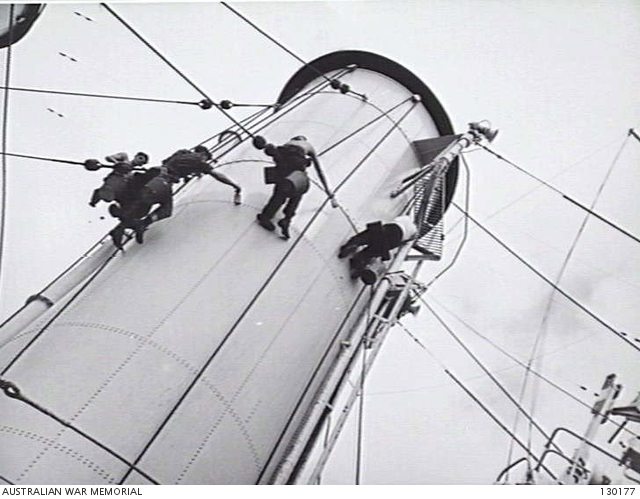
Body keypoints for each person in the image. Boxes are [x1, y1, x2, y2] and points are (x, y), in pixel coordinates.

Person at [256, 135, 337, 240]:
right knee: (298, 190)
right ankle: (287, 219)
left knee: (280, 191)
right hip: (297, 162)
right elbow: (319, 171)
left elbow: (281, 157)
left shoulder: (288, 143)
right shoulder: (308, 146)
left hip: (283, 159)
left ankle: (266, 216)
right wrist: (328, 191)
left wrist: (269, 148)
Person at [108, 167, 173, 250]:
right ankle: (142, 223)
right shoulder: (162, 182)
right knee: (165, 210)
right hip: (149, 195)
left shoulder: (139, 178)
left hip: (134, 198)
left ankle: (123, 227)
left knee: (136, 211)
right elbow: (167, 209)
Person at [338, 215, 418, 283]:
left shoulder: (407, 218)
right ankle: (358, 262)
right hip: (396, 239)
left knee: (367, 236)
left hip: (392, 228)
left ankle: (354, 244)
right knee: (372, 251)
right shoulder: (414, 231)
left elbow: (394, 221)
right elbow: (406, 241)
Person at [162, 145, 242, 205]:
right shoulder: (200, 163)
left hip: (156, 173)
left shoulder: (182, 153)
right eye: (206, 159)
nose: (205, 160)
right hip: (164, 181)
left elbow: (170, 162)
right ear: (204, 154)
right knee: (166, 209)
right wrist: (235, 186)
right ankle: (148, 221)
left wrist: (193, 174)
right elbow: (218, 176)